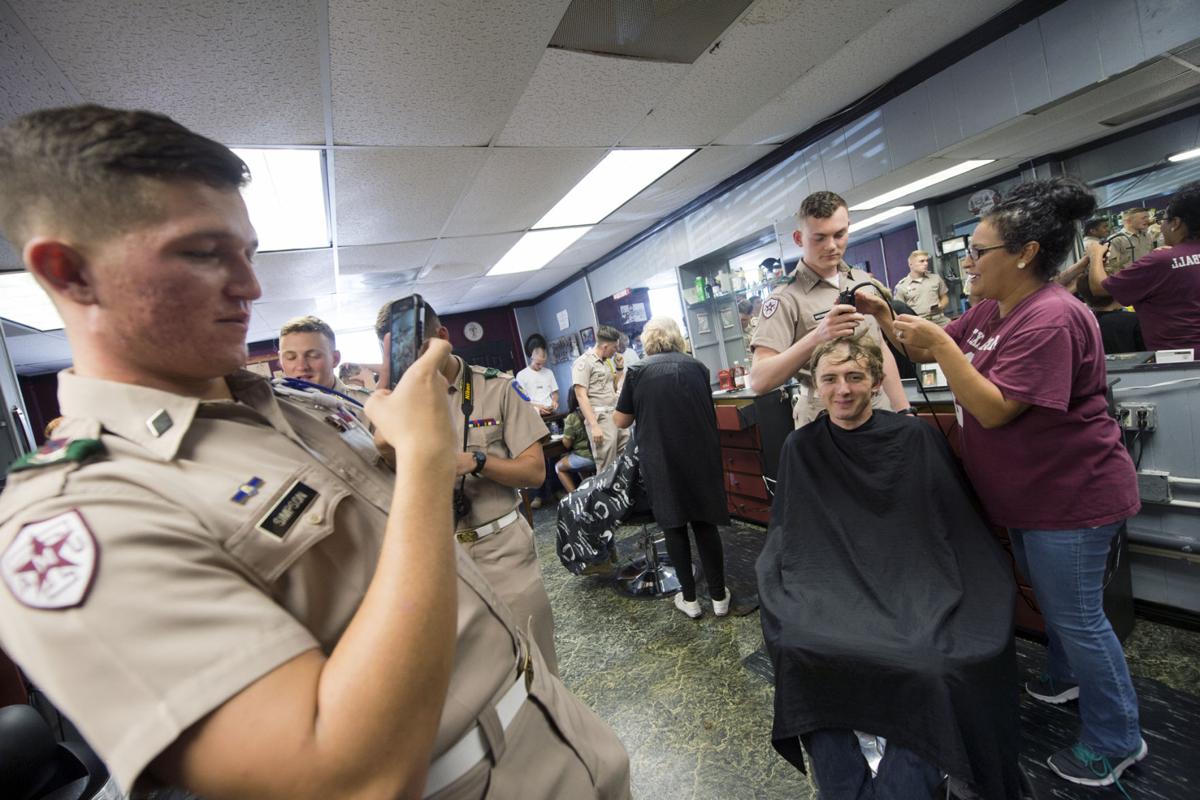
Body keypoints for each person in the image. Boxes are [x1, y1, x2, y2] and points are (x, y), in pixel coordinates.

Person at [0, 104, 630, 800]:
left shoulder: (303, 405)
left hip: (560, 736)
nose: (250, 287)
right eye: (202, 252)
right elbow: (347, 778)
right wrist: (428, 462)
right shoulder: (78, 518)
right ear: (69, 272)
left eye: (248, 253)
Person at [857, 176, 1145, 790]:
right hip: (1029, 496)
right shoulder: (994, 308)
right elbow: (928, 349)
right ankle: (1066, 676)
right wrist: (886, 318)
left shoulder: (1051, 319)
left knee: (1080, 618)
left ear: (1024, 253)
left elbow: (993, 408)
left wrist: (941, 344)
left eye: (978, 251)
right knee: (1059, 606)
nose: (967, 262)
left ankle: (1117, 738)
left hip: (1072, 498)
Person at [757, 335, 1020, 800]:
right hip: (828, 584)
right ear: (816, 387)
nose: (842, 389)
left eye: (854, 377)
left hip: (914, 583)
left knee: (929, 663)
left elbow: (951, 528)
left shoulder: (915, 438)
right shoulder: (801, 447)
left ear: (877, 382)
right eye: (830, 379)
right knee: (800, 647)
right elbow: (792, 537)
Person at [374, 300, 559, 674]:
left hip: (502, 550)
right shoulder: (398, 404)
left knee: (536, 666)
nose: (410, 364)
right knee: (473, 676)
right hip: (439, 560)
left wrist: (477, 461)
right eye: (397, 355)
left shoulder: (497, 387)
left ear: (442, 337)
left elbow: (535, 473)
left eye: (417, 349)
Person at [749, 191, 912, 427]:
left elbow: (880, 349)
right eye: (819, 238)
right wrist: (818, 336)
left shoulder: (862, 280)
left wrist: (903, 409)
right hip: (824, 417)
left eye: (839, 234)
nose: (831, 246)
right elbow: (759, 380)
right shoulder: (785, 298)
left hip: (878, 410)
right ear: (798, 238)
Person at [613, 318, 730, 619]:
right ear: (677, 338)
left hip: (661, 457)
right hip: (700, 455)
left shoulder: (637, 372)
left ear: (647, 341)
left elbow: (621, 421)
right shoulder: (698, 367)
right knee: (705, 524)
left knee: (674, 525)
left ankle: (690, 600)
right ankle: (719, 597)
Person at [1089, 180, 1200, 358]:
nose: (1159, 226)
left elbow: (1099, 288)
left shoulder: (1160, 260)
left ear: (1176, 223)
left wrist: (1095, 254)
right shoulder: (1158, 256)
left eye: (1163, 220)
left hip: (1180, 360)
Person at [571, 325, 629, 471]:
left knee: (625, 461)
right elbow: (580, 395)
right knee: (606, 467)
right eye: (614, 347)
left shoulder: (607, 361)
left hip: (614, 414)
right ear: (605, 346)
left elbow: (614, 387)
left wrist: (619, 369)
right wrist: (594, 425)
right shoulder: (584, 362)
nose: (616, 350)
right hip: (600, 418)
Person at [278, 315, 371, 402]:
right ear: (281, 360)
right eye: (291, 357)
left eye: (313, 356)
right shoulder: (275, 407)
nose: (301, 366)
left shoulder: (366, 403)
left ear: (335, 359)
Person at [893, 250, 950, 326]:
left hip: (940, 320)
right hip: (919, 323)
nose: (926, 263)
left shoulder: (935, 278)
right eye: (922, 261)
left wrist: (941, 305)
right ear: (911, 264)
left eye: (927, 261)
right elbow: (898, 310)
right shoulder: (901, 286)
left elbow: (945, 297)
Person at [555, 391, 596, 494]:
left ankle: (574, 498)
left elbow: (567, 444)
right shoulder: (594, 411)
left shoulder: (572, 417)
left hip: (586, 457)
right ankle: (588, 492)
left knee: (558, 467)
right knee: (575, 460)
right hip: (598, 455)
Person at [1104, 207, 1155, 275]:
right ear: (1129, 221)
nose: (1147, 220)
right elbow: (1113, 266)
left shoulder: (1147, 236)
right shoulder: (1116, 239)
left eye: (1147, 217)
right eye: (1143, 218)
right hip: (1129, 278)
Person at [515, 344, 559, 416]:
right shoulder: (521, 375)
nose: (541, 366)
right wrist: (537, 407)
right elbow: (520, 399)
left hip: (550, 411)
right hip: (532, 414)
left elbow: (555, 392)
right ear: (531, 359)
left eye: (543, 363)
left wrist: (554, 401)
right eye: (538, 364)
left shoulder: (549, 372)